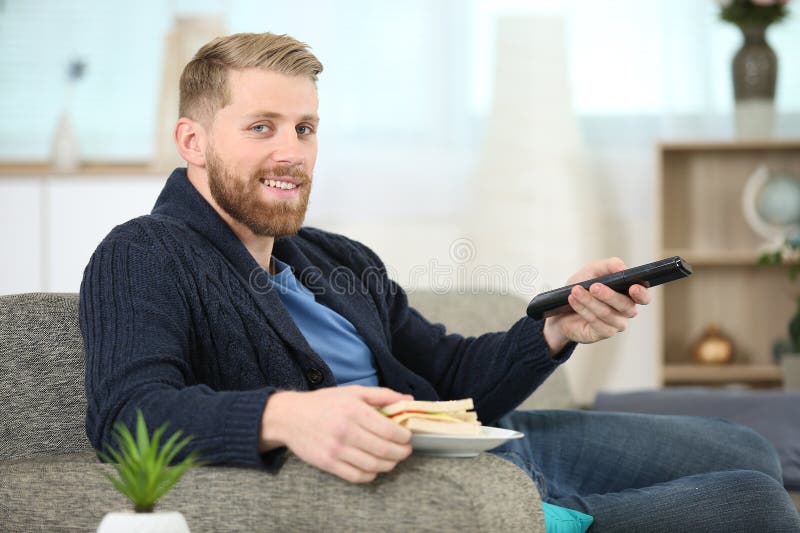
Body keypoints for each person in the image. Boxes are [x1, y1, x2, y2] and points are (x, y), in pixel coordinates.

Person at [80, 32, 800, 531]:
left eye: (305, 128)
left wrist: (556, 327)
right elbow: (127, 415)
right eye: (262, 127)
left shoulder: (330, 256)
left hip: (486, 438)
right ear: (192, 142)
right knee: (754, 505)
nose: (292, 152)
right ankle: (544, 514)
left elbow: (453, 372)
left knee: (749, 449)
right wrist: (288, 415)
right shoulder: (146, 252)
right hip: (438, 485)